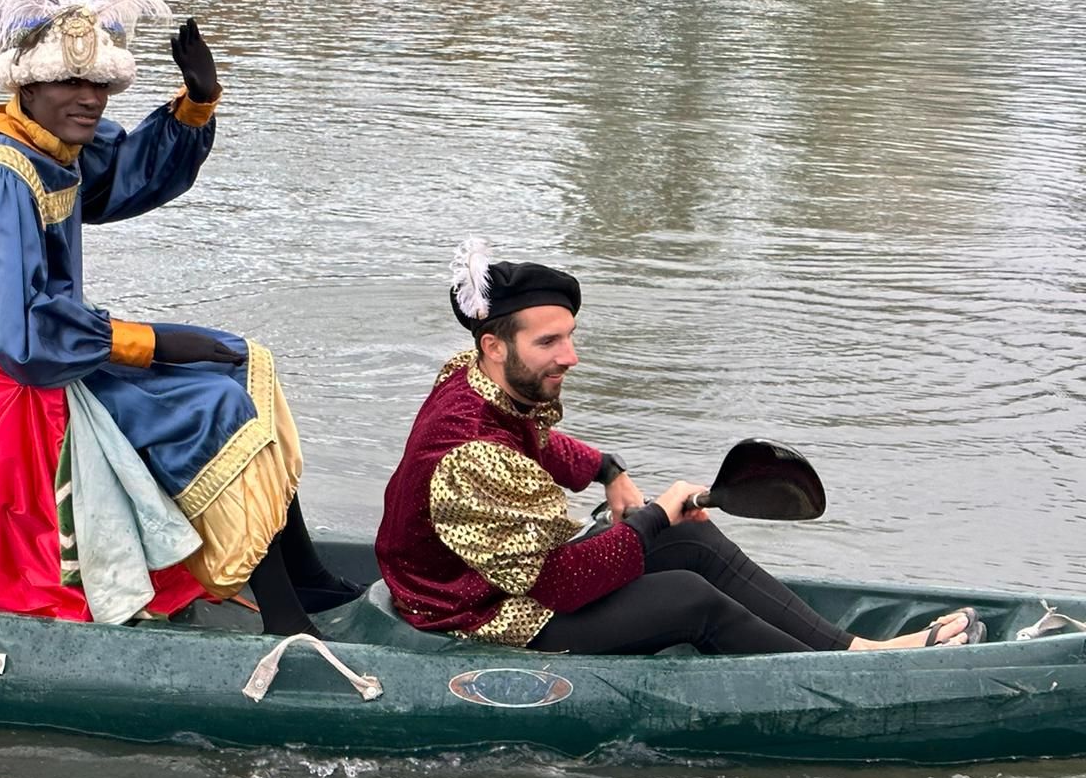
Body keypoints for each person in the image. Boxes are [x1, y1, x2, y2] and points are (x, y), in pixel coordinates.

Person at [0, 0, 357, 636]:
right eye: (71, 84)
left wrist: (196, 103)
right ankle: (284, 619)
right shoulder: (2, 176)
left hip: (54, 351)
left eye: (99, 87)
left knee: (244, 360)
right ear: (28, 86)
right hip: (10, 385)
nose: (89, 100)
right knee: (213, 403)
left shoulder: (53, 149)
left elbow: (128, 176)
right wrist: (153, 343)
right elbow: (22, 335)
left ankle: (303, 574)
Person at [374, 238, 986, 655]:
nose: (571, 356)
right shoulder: (472, 452)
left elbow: (532, 441)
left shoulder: (473, 381)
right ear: (495, 346)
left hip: (504, 574)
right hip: (473, 609)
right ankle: (845, 677)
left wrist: (608, 470)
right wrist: (651, 516)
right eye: (549, 343)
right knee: (689, 595)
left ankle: (858, 650)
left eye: (571, 336)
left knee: (689, 538)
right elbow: (557, 587)